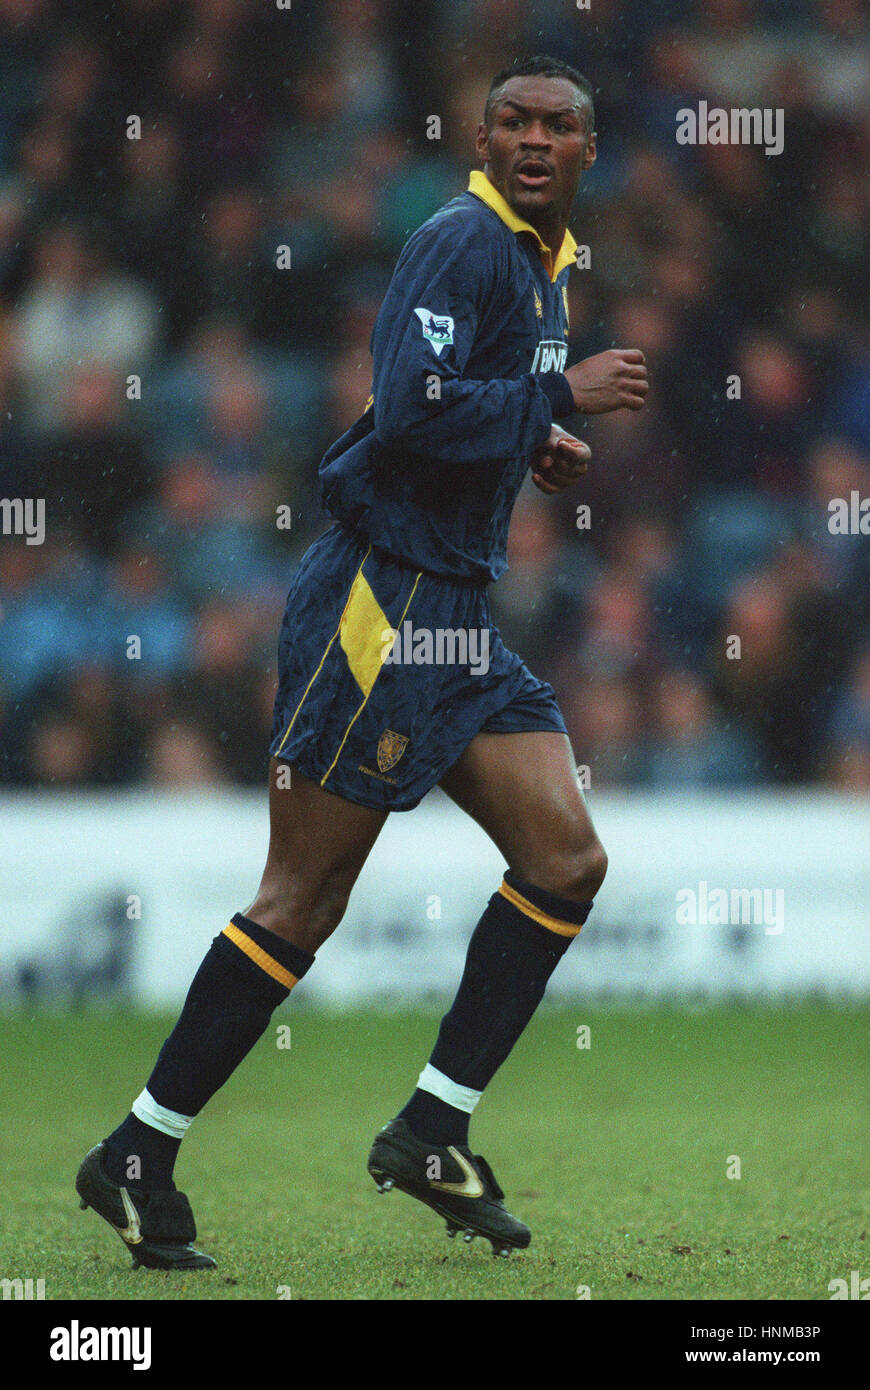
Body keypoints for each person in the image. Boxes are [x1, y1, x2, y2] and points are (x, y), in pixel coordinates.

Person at [76, 54, 648, 1268]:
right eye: (514, 121)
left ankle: (435, 1124)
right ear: (482, 140)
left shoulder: (541, 267)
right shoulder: (462, 241)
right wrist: (563, 392)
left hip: (455, 612)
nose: (534, 139)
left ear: (590, 152)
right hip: (379, 601)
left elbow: (466, 412)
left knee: (564, 859)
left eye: (559, 125)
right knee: (303, 900)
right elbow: (411, 404)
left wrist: (534, 442)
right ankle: (140, 1147)